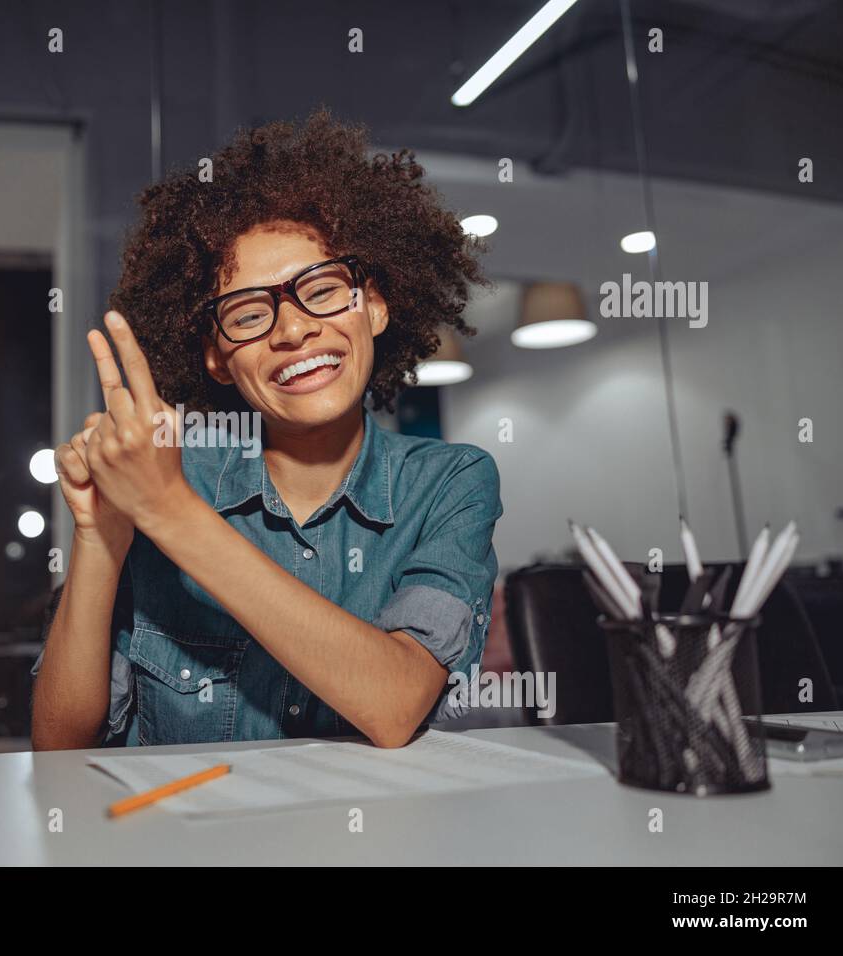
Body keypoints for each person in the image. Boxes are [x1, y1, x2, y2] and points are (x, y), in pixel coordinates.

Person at [31, 109, 501, 750]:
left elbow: (394, 705)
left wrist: (169, 514)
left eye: (325, 289)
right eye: (249, 313)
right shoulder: (161, 477)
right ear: (217, 357)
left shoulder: (450, 483)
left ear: (378, 306)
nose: (292, 329)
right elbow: (59, 748)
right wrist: (99, 535)